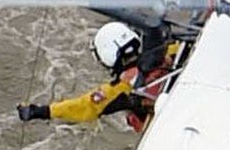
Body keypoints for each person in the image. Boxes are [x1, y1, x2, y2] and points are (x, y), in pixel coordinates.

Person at [16, 22, 179, 133]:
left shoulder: (118, 90)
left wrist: (39, 111)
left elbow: (81, 107)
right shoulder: (171, 51)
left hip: (166, 125)